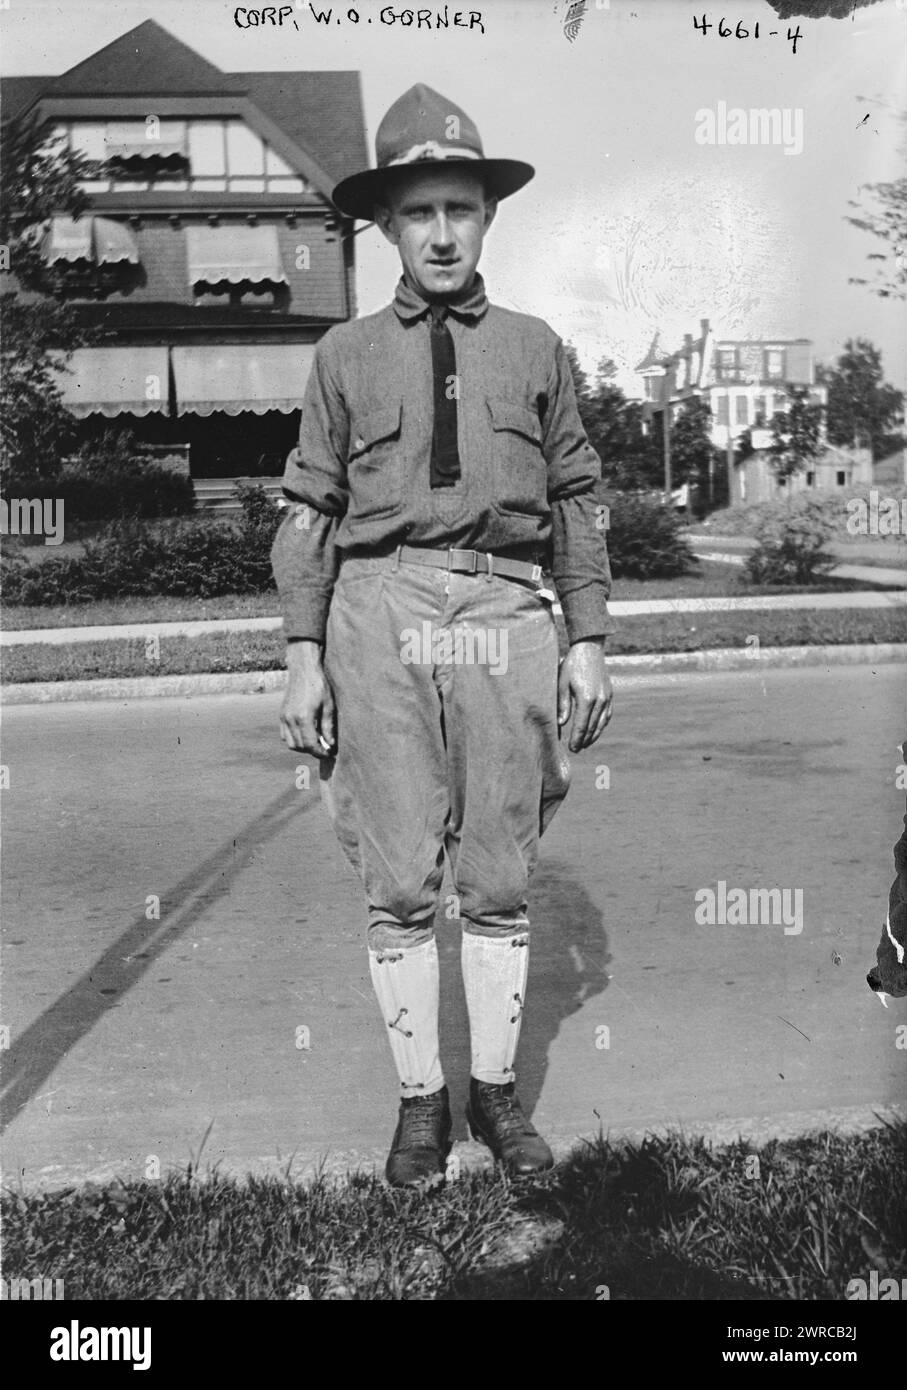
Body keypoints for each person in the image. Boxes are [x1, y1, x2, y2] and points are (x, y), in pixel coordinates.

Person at [271, 83, 616, 1187]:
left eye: (459, 208)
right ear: (384, 227)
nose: (440, 232)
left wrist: (588, 637)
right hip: (382, 606)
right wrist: (301, 654)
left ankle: (498, 1098)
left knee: (501, 870)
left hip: (510, 606)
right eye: (417, 212)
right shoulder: (343, 354)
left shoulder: (534, 345)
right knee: (402, 875)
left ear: (487, 218)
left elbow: (577, 496)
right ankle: (423, 1103)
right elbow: (309, 513)